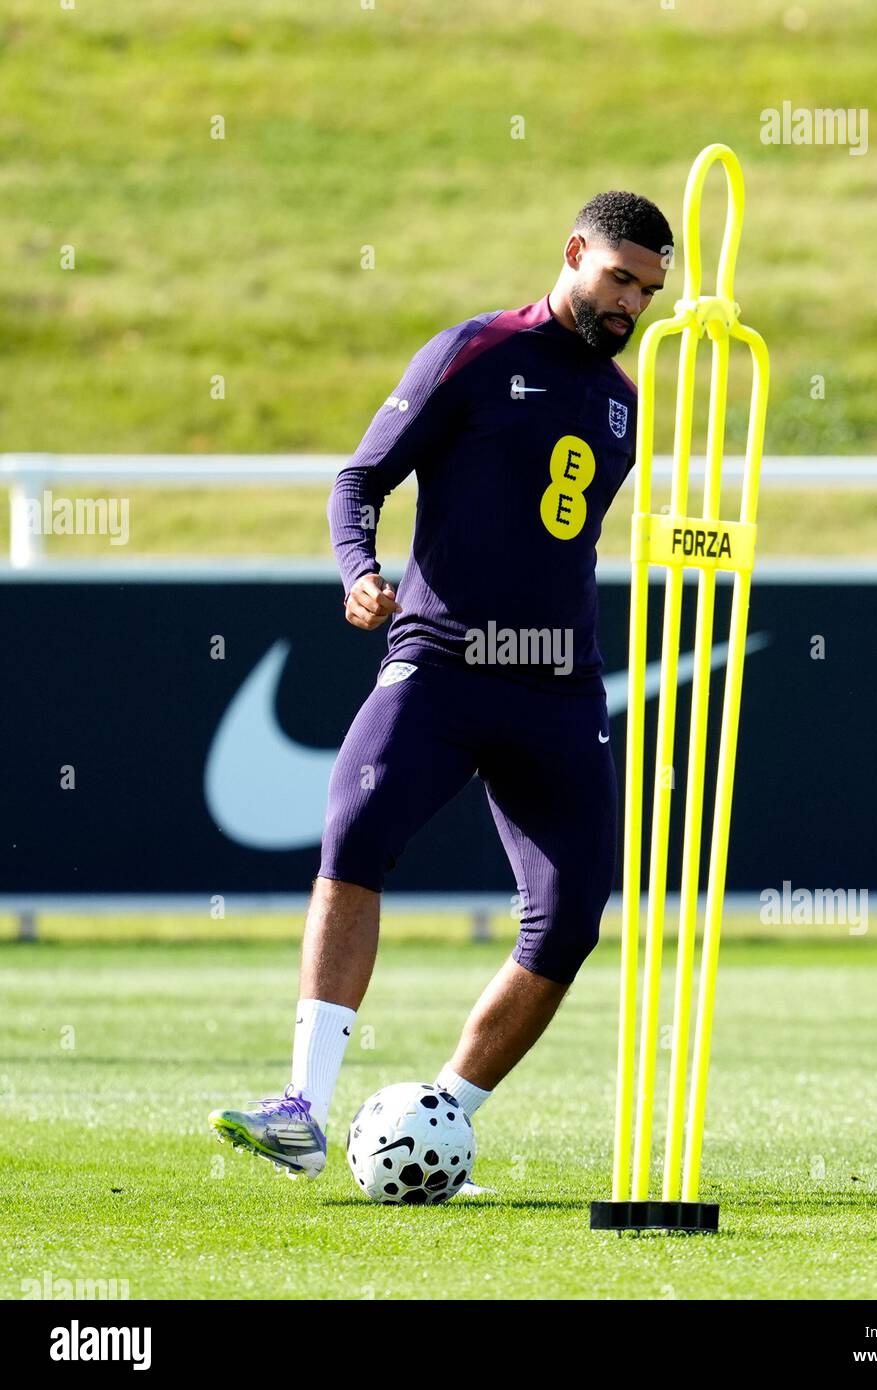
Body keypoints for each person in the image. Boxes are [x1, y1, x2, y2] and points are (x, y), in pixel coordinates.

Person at [208, 190, 673, 1179]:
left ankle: (444, 1113)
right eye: (620, 277)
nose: (632, 302)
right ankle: (302, 1105)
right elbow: (359, 481)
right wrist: (359, 570)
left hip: (555, 686)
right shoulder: (474, 351)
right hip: (443, 663)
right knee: (356, 835)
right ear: (574, 252)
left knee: (576, 910)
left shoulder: (624, 402)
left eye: (649, 290)